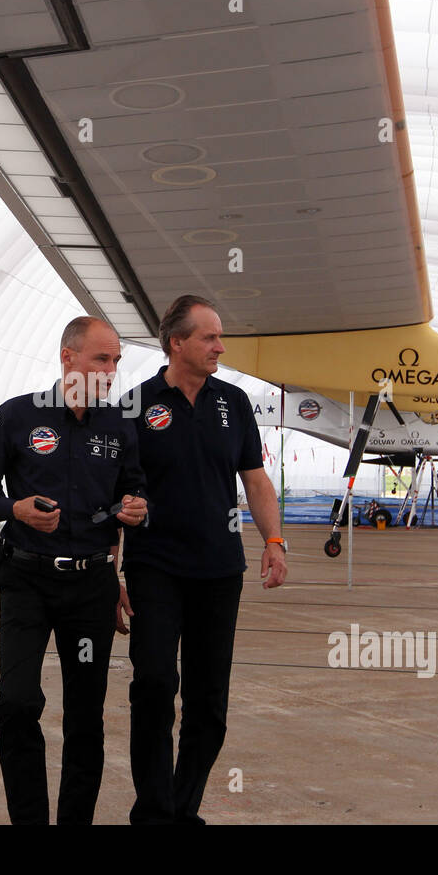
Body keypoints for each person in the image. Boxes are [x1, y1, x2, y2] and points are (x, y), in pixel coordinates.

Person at [0, 316, 148, 825]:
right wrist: (12, 508)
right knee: (17, 704)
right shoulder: (18, 416)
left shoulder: (120, 425)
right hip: (26, 582)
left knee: (86, 718)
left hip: (91, 587)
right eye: (101, 359)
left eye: (116, 361)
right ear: (68, 358)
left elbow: (134, 490)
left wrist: (135, 508)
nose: (111, 371)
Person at [116, 294, 288, 825]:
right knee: (153, 686)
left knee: (209, 702)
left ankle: (178, 810)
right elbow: (115, 494)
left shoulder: (233, 403)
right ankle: (155, 811)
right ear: (177, 343)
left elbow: (254, 479)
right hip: (154, 568)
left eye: (219, 336)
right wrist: (112, 570)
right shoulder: (134, 405)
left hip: (219, 570)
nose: (220, 346)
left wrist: (274, 542)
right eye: (209, 337)